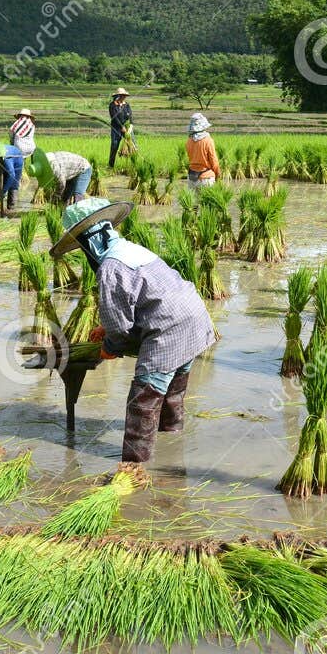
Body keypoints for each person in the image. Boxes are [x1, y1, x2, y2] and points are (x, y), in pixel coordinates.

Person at [51, 198, 215, 470]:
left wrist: (109, 347)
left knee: (143, 399)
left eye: (82, 247)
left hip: (169, 330)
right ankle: (171, 449)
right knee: (173, 392)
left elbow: (119, 328)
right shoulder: (130, 249)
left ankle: (133, 467)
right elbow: (144, 296)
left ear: (89, 243)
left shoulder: (109, 266)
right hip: (195, 320)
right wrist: (109, 331)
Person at [185, 113, 220, 189]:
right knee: (206, 201)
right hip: (206, 178)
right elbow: (214, 161)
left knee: (192, 201)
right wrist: (217, 174)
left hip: (191, 178)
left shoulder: (189, 141)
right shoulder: (208, 140)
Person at [109, 88, 134, 167]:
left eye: (125, 95)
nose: (124, 97)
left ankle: (133, 164)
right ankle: (111, 165)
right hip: (116, 128)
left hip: (127, 129)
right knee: (114, 145)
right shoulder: (113, 105)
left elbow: (130, 116)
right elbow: (114, 117)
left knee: (131, 145)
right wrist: (121, 126)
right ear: (118, 96)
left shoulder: (126, 105)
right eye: (122, 95)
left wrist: (131, 126)